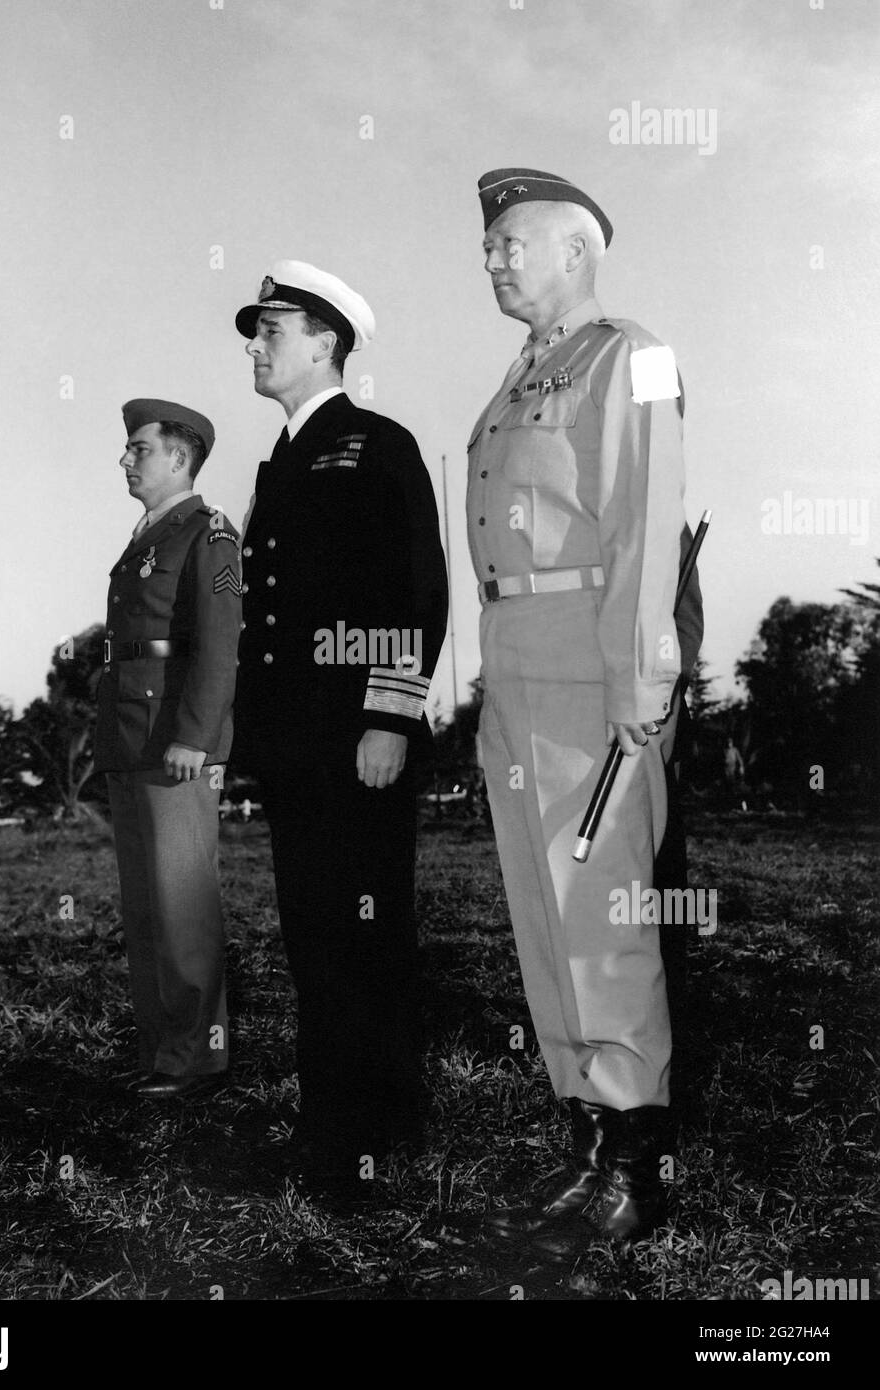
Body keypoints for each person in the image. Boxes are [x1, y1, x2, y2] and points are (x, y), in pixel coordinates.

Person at [467, 170, 702, 1243]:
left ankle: (639, 1163)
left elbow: (646, 527)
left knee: (602, 918)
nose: (495, 256)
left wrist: (640, 681)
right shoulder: (521, 376)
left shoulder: (628, 354)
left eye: (515, 239)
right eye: (491, 244)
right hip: (516, 674)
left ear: (578, 249)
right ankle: (590, 1137)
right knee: (542, 916)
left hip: (586, 671)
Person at [232, 261, 448, 1196]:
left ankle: (374, 1127)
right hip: (293, 744)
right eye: (255, 330)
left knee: (365, 931)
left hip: (357, 735)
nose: (255, 344)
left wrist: (388, 715)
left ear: (325, 341)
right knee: (313, 933)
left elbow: (414, 586)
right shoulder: (275, 462)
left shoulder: (373, 443)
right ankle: (335, 1119)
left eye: (271, 328)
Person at [93, 399, 242, 1099]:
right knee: (146, 906)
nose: (126, 459)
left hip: (175, 743)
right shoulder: (148, 535)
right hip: (132, 736)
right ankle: (161, 1051)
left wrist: (194, 736)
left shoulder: (206, 535)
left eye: (139, 448)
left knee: (183, 905)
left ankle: (197, 1059)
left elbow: (219, 645)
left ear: (179, 459)